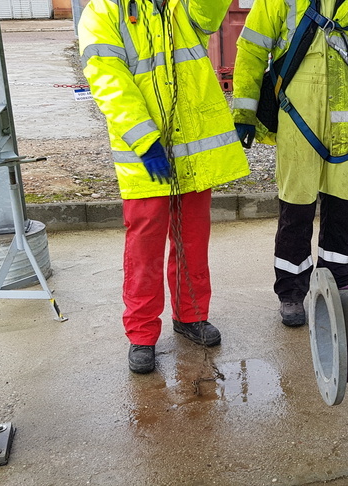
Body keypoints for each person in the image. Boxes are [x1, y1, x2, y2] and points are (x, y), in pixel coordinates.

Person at [79, 0, 250, 373]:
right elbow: (109, 80)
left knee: (192, 240)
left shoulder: (181, 6)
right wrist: (144, 139)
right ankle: (142, 335)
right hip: (145, 158)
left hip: (191, 151)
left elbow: (210, 12)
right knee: (145, 249)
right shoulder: (103, 12)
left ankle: (190, 317)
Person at [231, 0, 348, 327]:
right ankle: (292, 291)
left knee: (341, 209)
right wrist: (244, 112)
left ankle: (338, 281)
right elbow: (251, 49)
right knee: (296, 208)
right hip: (299, 121)